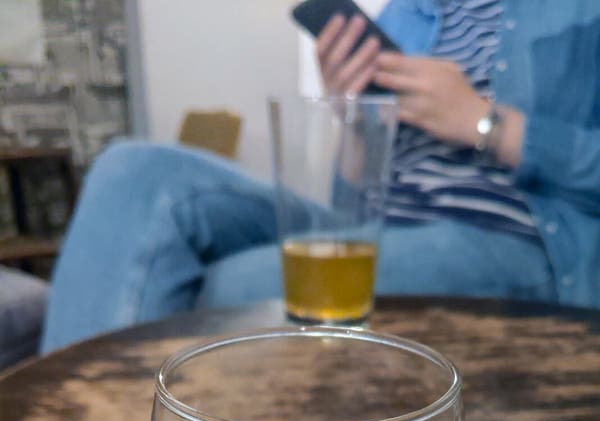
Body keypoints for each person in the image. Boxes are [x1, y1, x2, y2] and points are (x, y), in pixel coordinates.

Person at [41, 1, 600, 352]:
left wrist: (485, 123)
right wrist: (353, 116)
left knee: (241, 287)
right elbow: (351, 203)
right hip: (383, 231)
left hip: (517, 236)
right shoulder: (407, 16)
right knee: (133, 171)